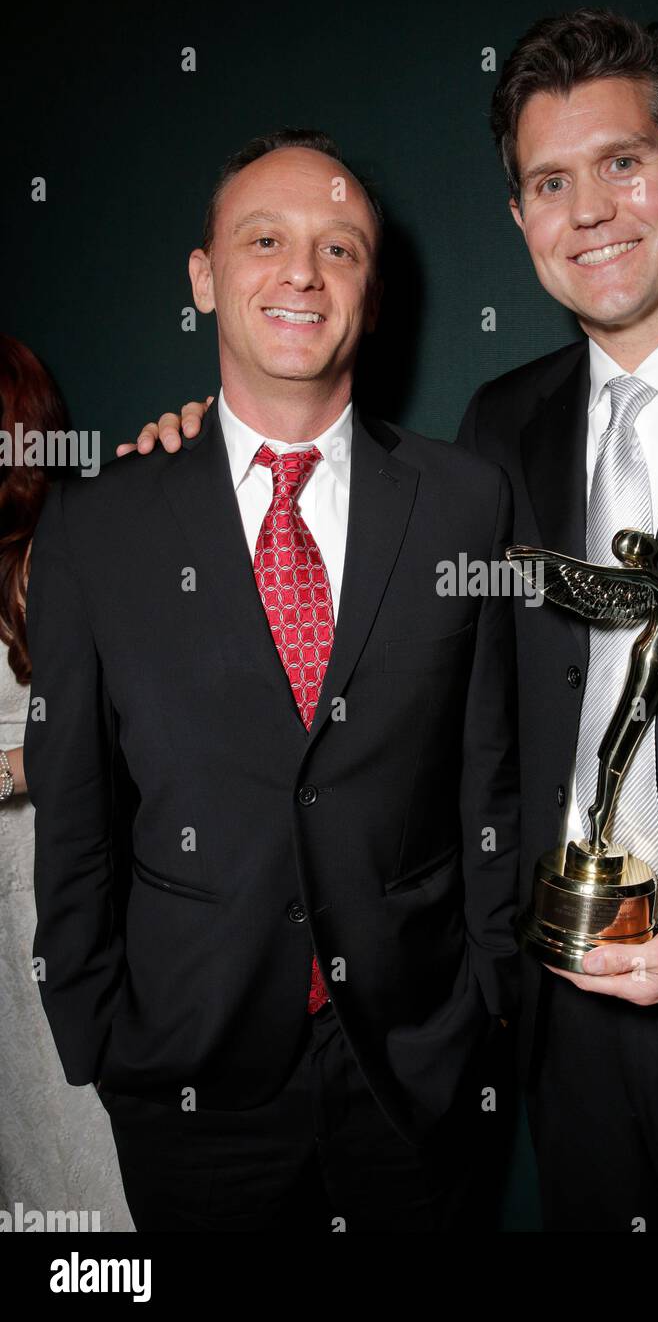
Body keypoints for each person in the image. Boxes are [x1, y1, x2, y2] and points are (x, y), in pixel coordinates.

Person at [130, 12, 658, 1232]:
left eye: (621, 163)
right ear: (519, 216)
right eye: (547, 182)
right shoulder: (495, 434)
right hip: (555, 1045)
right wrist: (208, 456)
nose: (587, 211)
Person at [25, 129, 519, 1233]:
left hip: (416, 1070)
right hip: (186, 1079)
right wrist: (93, 1031)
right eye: (264, 241)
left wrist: (493, 997)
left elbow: (488, 779)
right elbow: (75, 814)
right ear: (204, 278)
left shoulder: (464, 504)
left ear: (372, 296)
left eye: (338, 248)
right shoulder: (97, 525)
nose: (301, 272)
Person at [0, 335, 133, 1229]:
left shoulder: (64, 548)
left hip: (43, 873)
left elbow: (120, 737)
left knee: (72, 1134)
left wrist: (8, 768)